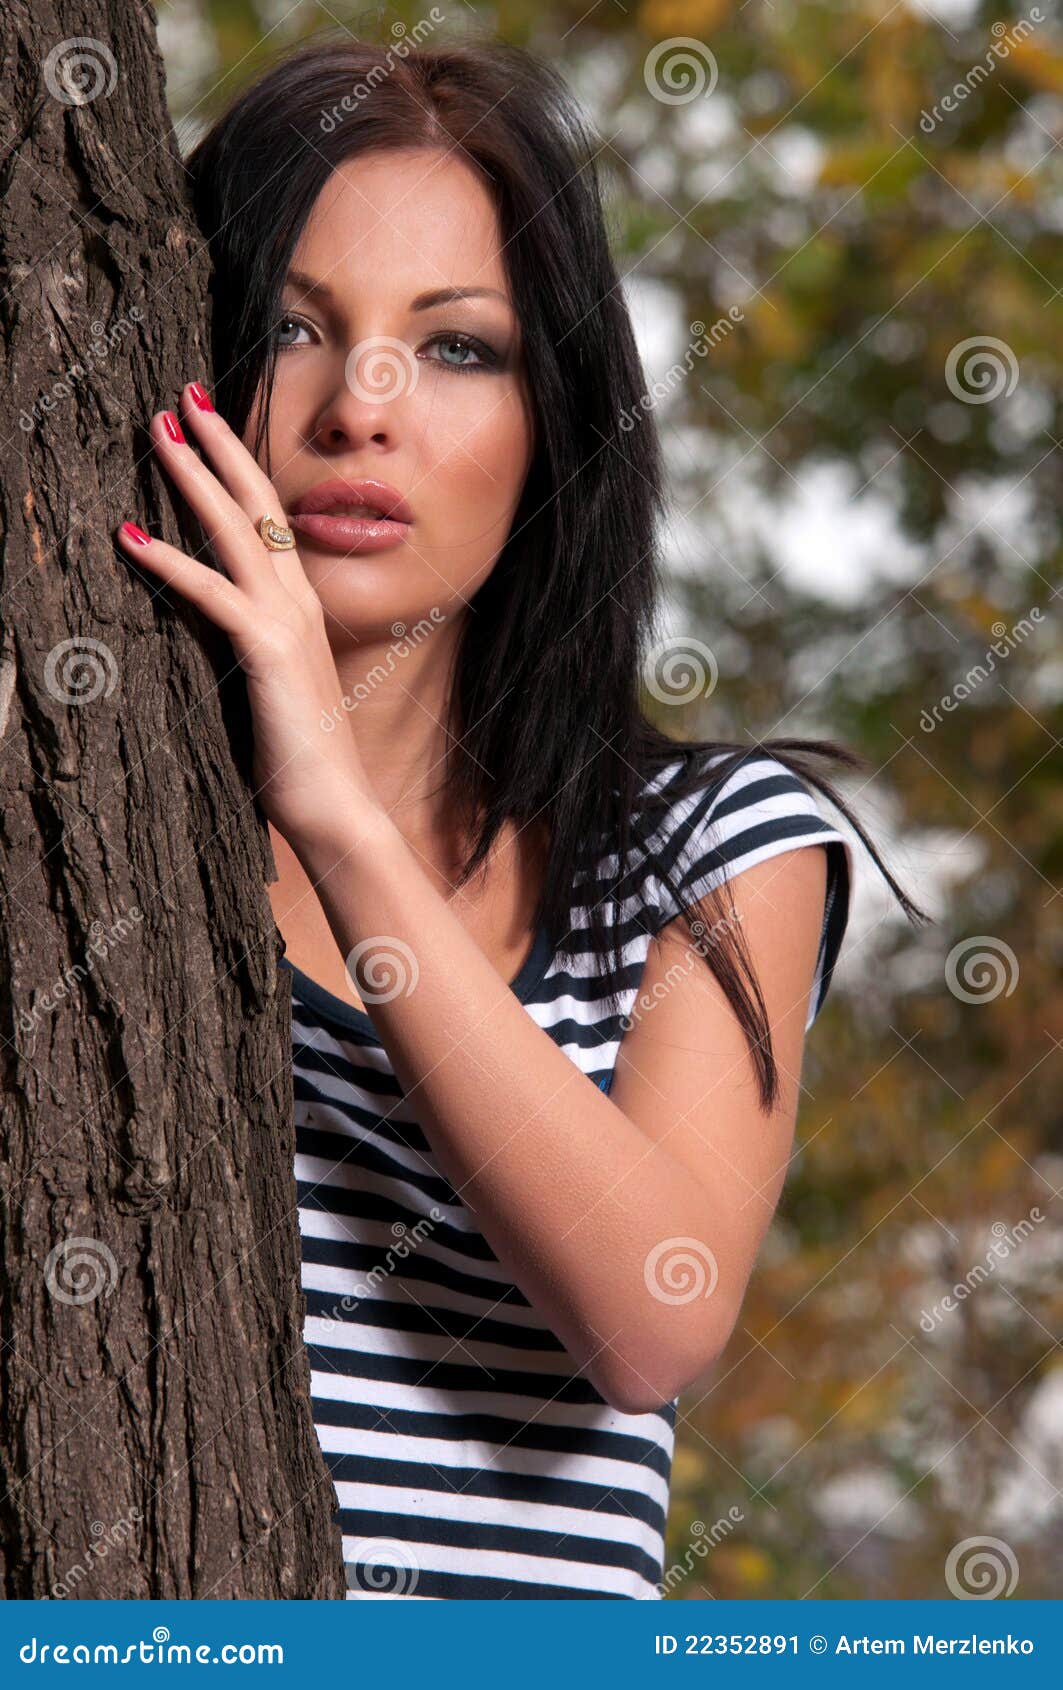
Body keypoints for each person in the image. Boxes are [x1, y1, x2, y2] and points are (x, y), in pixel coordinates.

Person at [116, 32, 924, 1599]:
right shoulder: (92, 845)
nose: (363, 407)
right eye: (294, 327)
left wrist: (337, 821)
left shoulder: (708, 847)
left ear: (552, 423)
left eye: (458, 348)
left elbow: (653, 1313)